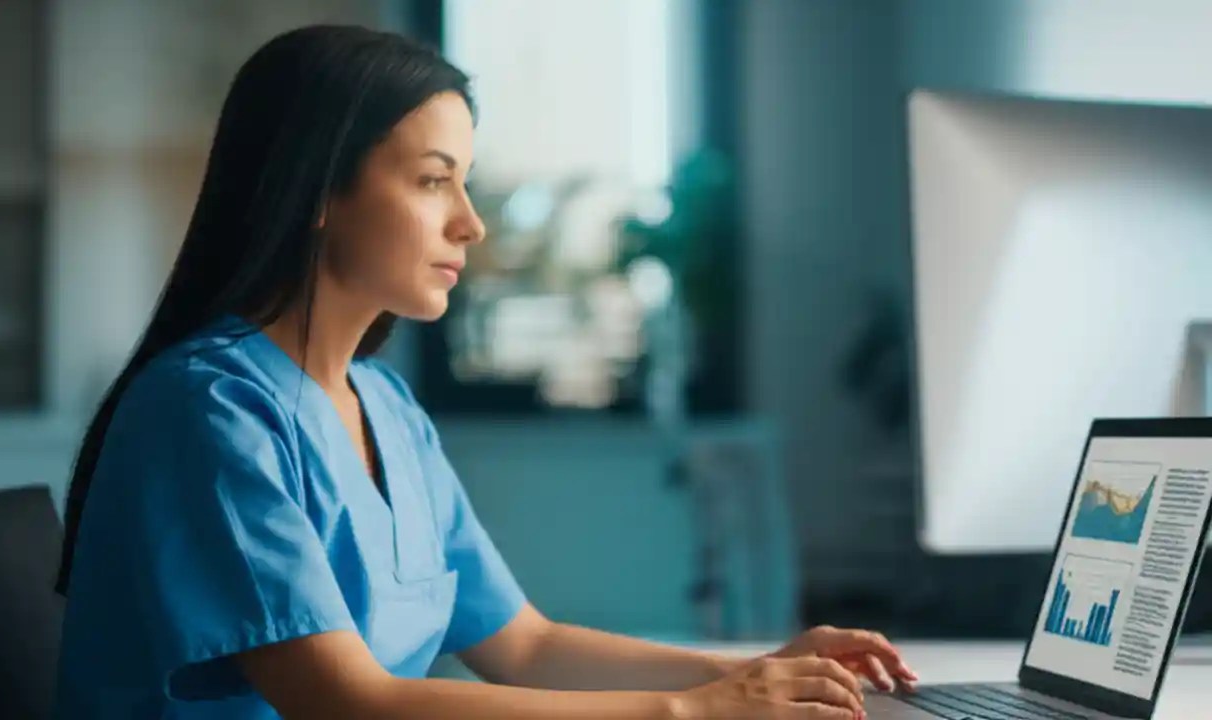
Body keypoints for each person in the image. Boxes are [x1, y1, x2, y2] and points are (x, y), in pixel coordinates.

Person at [53, 25, 916, 720]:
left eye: (464, 184)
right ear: (318, 190)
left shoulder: (384, 404)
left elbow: (525, 645)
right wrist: (697, 712)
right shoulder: (208, 410)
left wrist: (755, 673)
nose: (470, 224)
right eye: (434, 182)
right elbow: (347, 703)